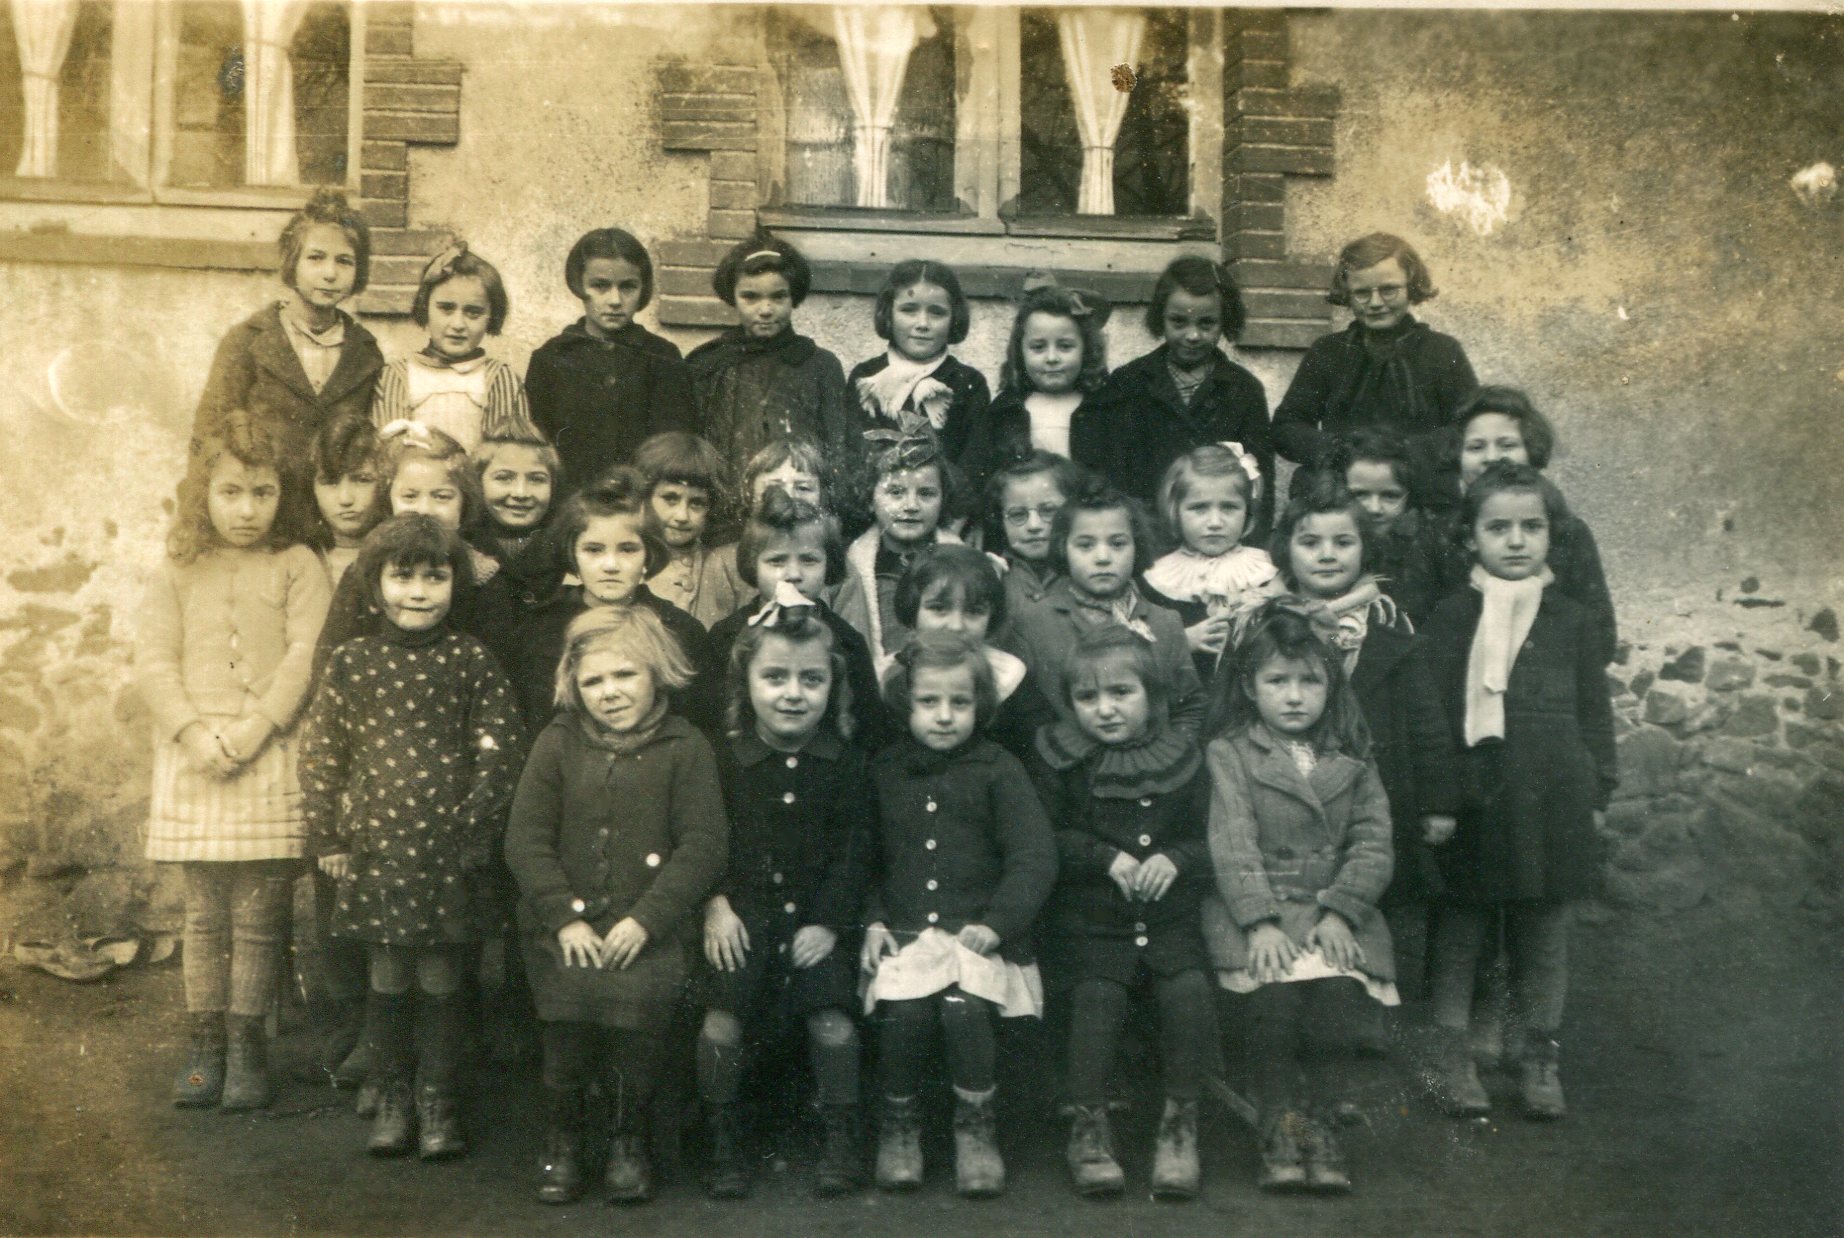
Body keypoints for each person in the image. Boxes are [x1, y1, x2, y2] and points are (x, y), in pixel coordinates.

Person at [301, 514, 522, 1160]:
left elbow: (500, 751)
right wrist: (329, 838)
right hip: (378, 853)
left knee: (442, 978)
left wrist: (474, 834)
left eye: (435, 576)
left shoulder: (471, 661)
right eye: (402, 577)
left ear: (455, 584)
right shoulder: (353, 663)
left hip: (447, 856)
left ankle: (438, 1101)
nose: (419, 591)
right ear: (374, 588)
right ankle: (393, 1097)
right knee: (389, 977)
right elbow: (321, 754)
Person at [136, 413, 331, 1111]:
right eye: (229, 492)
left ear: (285, 496)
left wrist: (254, 731)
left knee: (259, 912)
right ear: (203, 494)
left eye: (262, 493)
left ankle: (249, 1047)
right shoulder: (178, 566)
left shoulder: (299, 565)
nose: (245, 510)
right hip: (193, 754)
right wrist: (191, 733)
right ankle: (204, 1046)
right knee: (202, 914)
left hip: (268, 749)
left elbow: (306, 656)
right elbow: (154, 660)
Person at [504, 606, 728, 1205]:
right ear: (573, 687)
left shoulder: (686, 746)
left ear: (657, 672)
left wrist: (647, 920)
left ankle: (628, 1138)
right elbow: (525, 838)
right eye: (593, 682)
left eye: (625, 675)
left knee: (635, 1029)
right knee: (566, 1029)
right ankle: (563, 1138)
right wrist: (563, 916)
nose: (610, 693)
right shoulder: (557, 741)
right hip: (566, 929)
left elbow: (703, 844)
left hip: (645, 928)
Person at [1419, 462, 1617, 1122]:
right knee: (1462, 931)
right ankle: (1455, 1055)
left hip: (1555, 794)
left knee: (1544, 934)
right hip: (1477, 795)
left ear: (1551, 536)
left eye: (1531, 527)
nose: (1515, 541)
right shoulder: (1450, 617)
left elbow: (1595, 710)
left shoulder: (1571, 619)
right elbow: (1435, 716)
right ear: (1469, 537)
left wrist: (1599, 790)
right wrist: (1439, 799)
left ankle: (1539, 1055)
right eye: (1497, 527)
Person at [1201, 604, 1395, 1194]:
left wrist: (1341, 911)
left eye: (1310, 681)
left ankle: (1324, 1124)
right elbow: (1233, 843)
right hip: (1257, 909)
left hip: (1333, 909)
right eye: (1277, 682)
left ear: (1331, 685)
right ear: (1249, 687)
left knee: (1335, 1004)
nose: (1293, 697)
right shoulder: (1231, 753)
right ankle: (1280, 1125)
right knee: (1276, 1010)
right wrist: (1258, 922)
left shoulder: (1353, 756)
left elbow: (1373, 840)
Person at [861, 633, 1058, 1198]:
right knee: (904, 1013)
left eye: (960, 703)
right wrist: (874, 917)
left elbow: (1034, 856)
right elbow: (863, 858)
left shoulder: (1000, 769)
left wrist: (997, 923)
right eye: (929, 703)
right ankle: (900, 1127)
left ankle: (976, 1128)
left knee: (964, 1007)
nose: (944, 717)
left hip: (978, 940)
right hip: (906, 938)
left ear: (981, 706)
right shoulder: (885, 769)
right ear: (906, 704)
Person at [1266, 477, 1462, 1039]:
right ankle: (1311, 994)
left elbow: (1426, 722)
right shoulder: (1267, 621)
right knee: (1307, 887)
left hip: (1382, 783)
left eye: (1342, 543)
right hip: (1297, 784)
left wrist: (1438, 802)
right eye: (1310, 543)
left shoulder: (1389, 625)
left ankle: (1375, 1003)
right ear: (1286, 550)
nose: (1327, 555)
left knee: (1382, 888)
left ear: (1365, 550)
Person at [1028, 626, 1217, 1200]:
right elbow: (1043, 834)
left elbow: (1214, 836)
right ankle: (1087, 1124)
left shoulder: (1185, 757)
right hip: (1091, 920)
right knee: (1096, 998)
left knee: (1188, 993)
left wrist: (1176, 858)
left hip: (1168, 920)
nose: (1104, 710)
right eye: (1087, 698)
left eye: (1121, 694)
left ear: (1153, 695)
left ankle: (1179, 1125)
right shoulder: (1059, 756)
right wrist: (1102, 855)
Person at [698, 600, 875, 1199]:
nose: (793, 694)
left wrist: (829, 923)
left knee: (833, 1029)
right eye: (774, 678)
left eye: (812, 679)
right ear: (746, 684)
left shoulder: (848, 765)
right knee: (721, 1026)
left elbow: (857, 853)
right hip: (741, 923)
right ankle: (722, 1139)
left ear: (834, 686)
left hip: (814, 927)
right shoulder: (724, 762)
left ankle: (841, 1137)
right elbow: (702, 841)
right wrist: (715, 904)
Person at [192, 188, 383, 540]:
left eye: (344, 261)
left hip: (334, 525)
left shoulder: (365, 351)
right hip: (263, 519)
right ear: (291, 262)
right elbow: (208, 437)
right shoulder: (249, 340)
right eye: (315, 258)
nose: (329, 273)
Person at [486, 468, 713, 735]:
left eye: (628, 549)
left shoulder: (680, 630)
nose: (610, 565)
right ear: (573, 556)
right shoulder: (538, 630)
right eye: (593, 550)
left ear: (648, 556)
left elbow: (696, 727)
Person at [1272, 232, 1477, 509]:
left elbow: (1469, 428)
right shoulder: (1328, 352)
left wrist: (1406, 453)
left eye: (1389, 289)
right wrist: (1336, 450)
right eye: (1362, 293)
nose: (1376, 303)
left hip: (1423, 497)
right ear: (1347, 293)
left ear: (1412, 286)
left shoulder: (1442, 352)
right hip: (1342, 494)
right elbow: (1287, 425)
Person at [1080, 256, 1274, 538]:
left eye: (1207, 323)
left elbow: (1261, 485)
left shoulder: (1243, 389)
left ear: (1225, 321)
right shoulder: (1129, 383)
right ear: (1161, 317)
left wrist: (1253, 547)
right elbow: (1110, 473)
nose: (1192, 334)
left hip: (1218, 537)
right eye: (1178, 321)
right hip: (1145, 537)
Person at [1003, 481, 1205, 737]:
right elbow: (1027, 716)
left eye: (1117, 544)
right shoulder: (1033, 622)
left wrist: (1173, 753)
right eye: (1085, 545)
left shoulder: (1165, 622)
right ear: (1063, 549)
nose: (1102, 557)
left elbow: (1188, 705)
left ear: (1137, 547)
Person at [695, 489, 887, 752]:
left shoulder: (847, 642)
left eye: (809, 560)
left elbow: (871, 734)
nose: (793, 574)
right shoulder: (726, 637)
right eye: (776, 561)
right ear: (753, 565)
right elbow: (705, 726)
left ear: (828, 564)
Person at [687, 233, 856, 509]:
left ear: (794, 298)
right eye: (750, 297)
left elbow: (835, 451)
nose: (765, 309)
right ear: (733, 297)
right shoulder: (708, 363)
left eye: (778, 297)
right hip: (724, 513)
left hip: (800, 511)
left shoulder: (819, 365)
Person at [525, 226, 697, 493]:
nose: (615, 300)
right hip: (573, 502)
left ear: (643, 289)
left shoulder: (663, 357)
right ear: (579, 285)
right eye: (600, 286)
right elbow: (540, 449)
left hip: (642, 503)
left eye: (628, 287)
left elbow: (675, 447)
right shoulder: (551, 359)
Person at [1140, 442, 1284, 683]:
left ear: (1247, 511)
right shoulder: (1156, 579)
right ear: (1175, 511)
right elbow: (1139, 651)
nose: (1215, 522)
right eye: (1199, 508)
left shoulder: (1267, 572)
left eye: (1229, 507)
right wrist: (1182, 641)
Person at [370, 243, 537, 451]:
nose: (458, 324)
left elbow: (509, 456)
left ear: (491, 318)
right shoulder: (396, 377)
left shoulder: (500, 379)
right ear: (425, 308)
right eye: (446, 309)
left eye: (473, 313)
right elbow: (387, 454)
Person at [964, 282, 1109, 491]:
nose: (1052, 358)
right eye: (1038, 347)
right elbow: (982, 474)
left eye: (1065, 346)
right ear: (1020, 352)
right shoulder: (1006, 410)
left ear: (1085, 350)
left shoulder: (1102, 407)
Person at [849, 259, 990, 471]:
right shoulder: (867, 376)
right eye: (909, 310)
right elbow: (852, 453)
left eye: (937, 312)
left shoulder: (968, 383)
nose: (922, 324)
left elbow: (974, 463)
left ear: (954, 318)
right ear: (889, 314)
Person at [833, 432, 964, 658]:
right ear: (870, 496)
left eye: (926, 493)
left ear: (943, 499)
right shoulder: (853, 567)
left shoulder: (961, 560)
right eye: (896, 492)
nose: (911, 505)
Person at [634, 431, 748, 629]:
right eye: (670, 498)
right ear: (644, 497)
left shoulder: (723, 567)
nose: (682, 516)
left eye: (696, 503)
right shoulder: (626, 559)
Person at [981, 449, 1085, 619]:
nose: (1034, 525)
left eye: (1049, 511)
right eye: (1017, 515)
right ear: (1000, 519)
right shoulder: (991, 575)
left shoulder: (1090, 571)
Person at [305, 413, 383, 587]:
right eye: (330, 482)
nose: (345, 499)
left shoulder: (398, 556)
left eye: (362, 480)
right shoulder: (301, 558)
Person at [471, 434, 560, 570]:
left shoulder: (566, 548)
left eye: (536, 479)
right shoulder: (462, 547)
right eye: (504, 478)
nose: (521, 493)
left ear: (552, 486)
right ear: (478, 483)